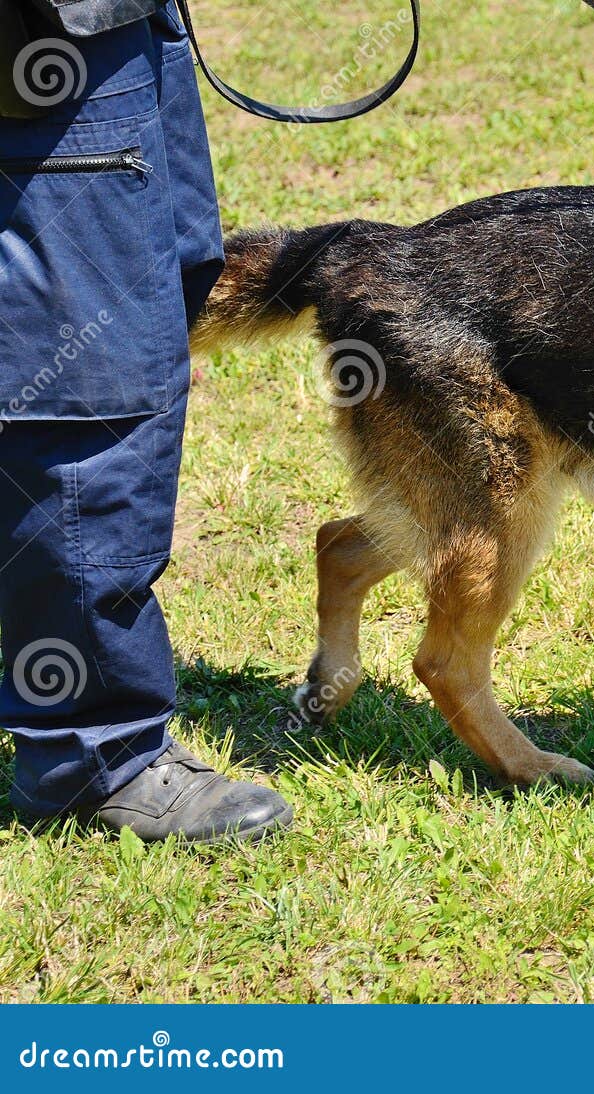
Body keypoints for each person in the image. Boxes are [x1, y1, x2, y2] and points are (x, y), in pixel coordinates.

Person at [1, 0, 292, 842]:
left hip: (115, 21)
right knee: (86, 375)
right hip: (39, 27)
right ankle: (91, 753)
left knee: (174, 272)